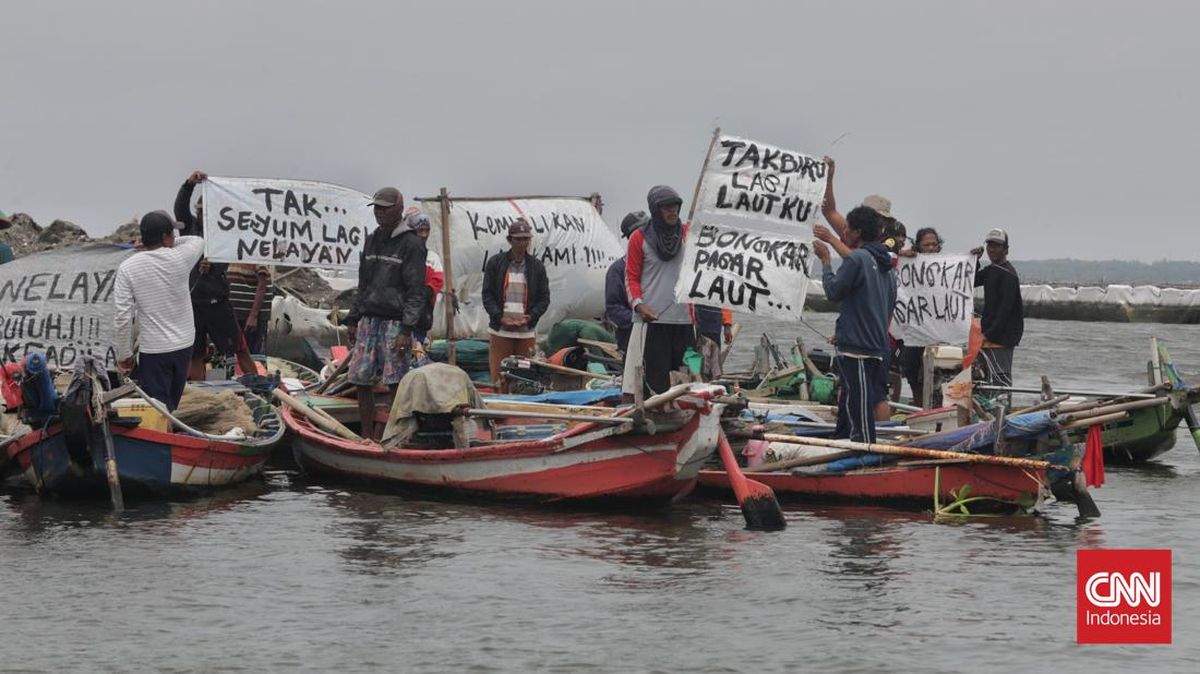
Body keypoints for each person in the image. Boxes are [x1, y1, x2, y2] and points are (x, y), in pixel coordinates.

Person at [344, 187, 429, 440]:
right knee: (361, 378)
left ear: (398, 209)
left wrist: (406, 329)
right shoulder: (372, 240)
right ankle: (367, 436)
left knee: (395, 382)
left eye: (385, 208)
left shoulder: (411, 244)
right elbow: (363, 284)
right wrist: (353, 318)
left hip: (395, 322)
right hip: (369, 319)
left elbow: (416, 291)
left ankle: (395, 436)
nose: (380, 212)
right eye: (377, 208)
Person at [813, 206, 897, 444]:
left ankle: (864, 449)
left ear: (858, 232)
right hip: (876, 345)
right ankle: (841, 438)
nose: (844, 232)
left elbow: (833, 292)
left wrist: (826, 262)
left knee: (858, 404)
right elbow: (888, 307)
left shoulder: (857, 258)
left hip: (857, 347)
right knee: (850, 397)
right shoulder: (887, 267)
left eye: (847, 228)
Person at [113, 211, 206, 411]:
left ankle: (159, 438)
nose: (175, 237)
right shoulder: (181, 257)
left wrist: (124, 354)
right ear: (165, 237)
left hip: (154, 351)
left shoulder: (127, 268)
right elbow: (197, 240)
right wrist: (167, 244)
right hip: (184, 346)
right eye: (172, 233)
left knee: (156, 410)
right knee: (170, 407)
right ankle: (167, 435)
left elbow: (123, 317)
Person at [174, 170, 257, 379]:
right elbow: (179, 208)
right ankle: (200, 391)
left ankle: (258, 386)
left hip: (217, 302)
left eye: (207, 211)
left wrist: (213, 266)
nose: (204, 215)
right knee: (195, 354)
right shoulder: (189, 228)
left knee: (240, 348)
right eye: (201, 211)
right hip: (193, 303)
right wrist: (189, 184)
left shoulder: (223, 233)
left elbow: (228, 256)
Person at [624, 185, 695, 395]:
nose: (672, 211)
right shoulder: (639, 237)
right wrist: (638, 305)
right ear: (656, 210)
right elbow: (631, 277)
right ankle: (655, 412)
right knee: (656, 380)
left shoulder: (688, 234)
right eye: (666, 207)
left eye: (675, 206)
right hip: (652, 320)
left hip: (685, 321)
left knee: (691, 373)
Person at [482, 217, 549, 393]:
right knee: (500, 377)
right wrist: (499, 317)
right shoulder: (496, 263)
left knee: (525, 376)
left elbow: (544, 298)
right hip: (500, 330)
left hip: (525, 331)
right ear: (510, 240)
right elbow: (487, 294)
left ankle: (520, 411)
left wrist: (531, 316)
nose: (522, 243)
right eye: (518, 239)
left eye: (526, 238)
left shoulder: (536, 267)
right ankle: (499, 412)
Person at [970, 228, 1024, 402]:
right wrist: (975, 261)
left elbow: (1005, 310)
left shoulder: (1009, 275)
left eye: (997, 246)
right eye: (990, 245)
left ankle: (1003, 412)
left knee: (1000, 378)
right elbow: (972, 280)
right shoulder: (992, 270)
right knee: (982, 376)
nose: (992, 249)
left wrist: (989, 333)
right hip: (989, 333)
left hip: (1003, 337)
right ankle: (987, 410)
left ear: (1006, 250)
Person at [897, 227, 944, 402]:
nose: (931, 248)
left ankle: (931, 408)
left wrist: (973, 260)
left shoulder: (948, 266)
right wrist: (902, 255)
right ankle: (918, 406)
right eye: (927, 245)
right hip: (915, 331)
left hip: (938, 332)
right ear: (918, 246)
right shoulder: (909, 263)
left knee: (935, 375)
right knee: (910, 369)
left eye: (934, 244)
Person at [605, 211, 647, 352]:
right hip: (631, 338)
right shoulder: (617, 270)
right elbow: (613, 308)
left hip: (661, 335)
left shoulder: (659, 266)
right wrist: (639, 319)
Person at [226, 263, 273, 354]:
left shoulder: (253, 253)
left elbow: (262, 285)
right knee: (235, 353)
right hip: (235, 315)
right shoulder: (230, 254)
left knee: (252, 355)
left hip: (250, 317)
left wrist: (253, 316)